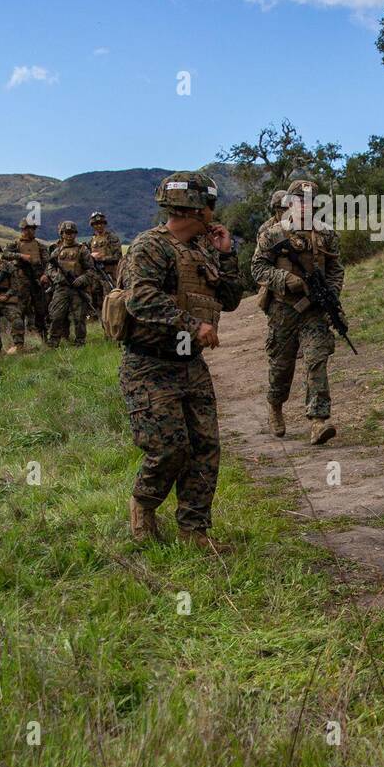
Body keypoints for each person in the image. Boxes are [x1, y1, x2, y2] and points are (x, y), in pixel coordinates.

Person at [120, 171, 243, 549]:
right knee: (169, 448)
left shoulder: (204, 249)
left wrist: (227, 255)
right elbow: (140, 299)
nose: (213, 212)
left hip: (191, 365)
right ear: (197, 208)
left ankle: (194, 531)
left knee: (205, 448)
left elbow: (231, 299)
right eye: (210, 205)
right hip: (149, 365)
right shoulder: (149, 247)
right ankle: (143, 507)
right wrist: (192, 324)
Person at [251, 178, 345, 445]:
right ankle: (275, 405)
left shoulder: (326, 233)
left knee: (316, 360)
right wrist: (285, 279)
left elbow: (336, 269)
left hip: (314, 310)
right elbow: (257, 268)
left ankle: (318, 421)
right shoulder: (273, 234)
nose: (305, 206)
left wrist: (330, 294)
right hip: (283, 309)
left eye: (310, 202)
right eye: (299, 201)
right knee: (282, 366)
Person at [46, 222, 93, 347]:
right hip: (61, 288)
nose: (69, 236)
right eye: (66, 233)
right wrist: (57, 277)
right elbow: (50, 268)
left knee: (79, 317)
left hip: (77, 289)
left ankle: (80, 342)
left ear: (75, 234)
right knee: (56, 315)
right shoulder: (57, 251)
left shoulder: (82, 250)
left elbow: (90, 270)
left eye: (72, 233)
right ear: (62, 234)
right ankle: (53, 341)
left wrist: (82, 279)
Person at [15, 217, 51, 340]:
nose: (32, 231)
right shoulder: (16, 244)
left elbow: (48, 262)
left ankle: (44, 338)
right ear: (23, 230)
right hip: (22, 282)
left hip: (37, 281)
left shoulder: (39, 245)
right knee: (20, 311)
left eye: (33, 229)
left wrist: (45, 274)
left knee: (41, 310)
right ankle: (19, 342)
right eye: (29, 229)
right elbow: (4, 254)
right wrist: (20, 256)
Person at [88, 211, 122, 307]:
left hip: (109, 274)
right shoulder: (92, 240)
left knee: (111, 298)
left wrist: (102, 259)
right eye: (96, 224)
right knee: (96, 299)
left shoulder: (112, 238)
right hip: (96, 275)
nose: (99, 226)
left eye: (101, 223)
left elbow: (118, 256)